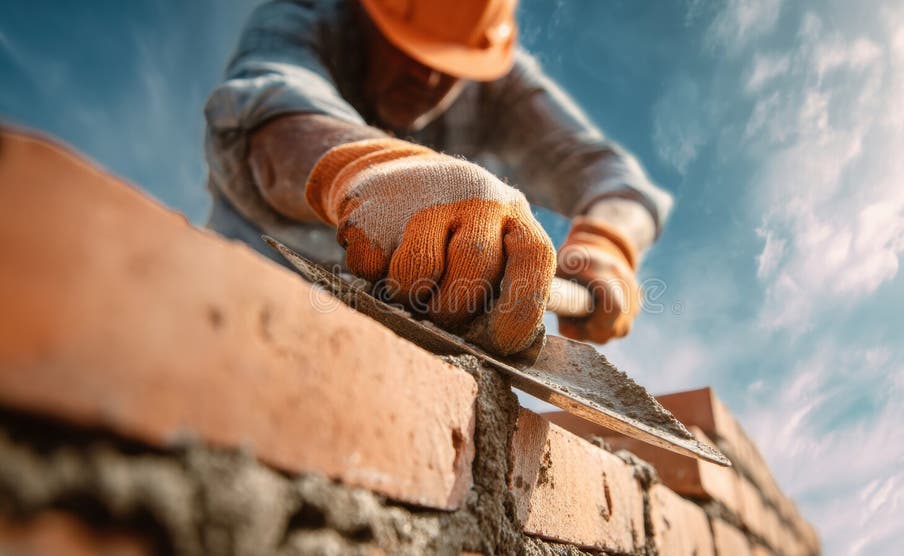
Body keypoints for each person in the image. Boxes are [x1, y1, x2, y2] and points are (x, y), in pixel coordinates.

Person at [203, 0, 673, 355]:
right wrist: (373, 168)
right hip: (235, 311)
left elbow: (616, 180)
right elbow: (264, 109)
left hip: (390, 356)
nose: (426, 78)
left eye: (448, 64)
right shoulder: (308, 15)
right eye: (406, 50)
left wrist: (609, 240)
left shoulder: (502, 86)